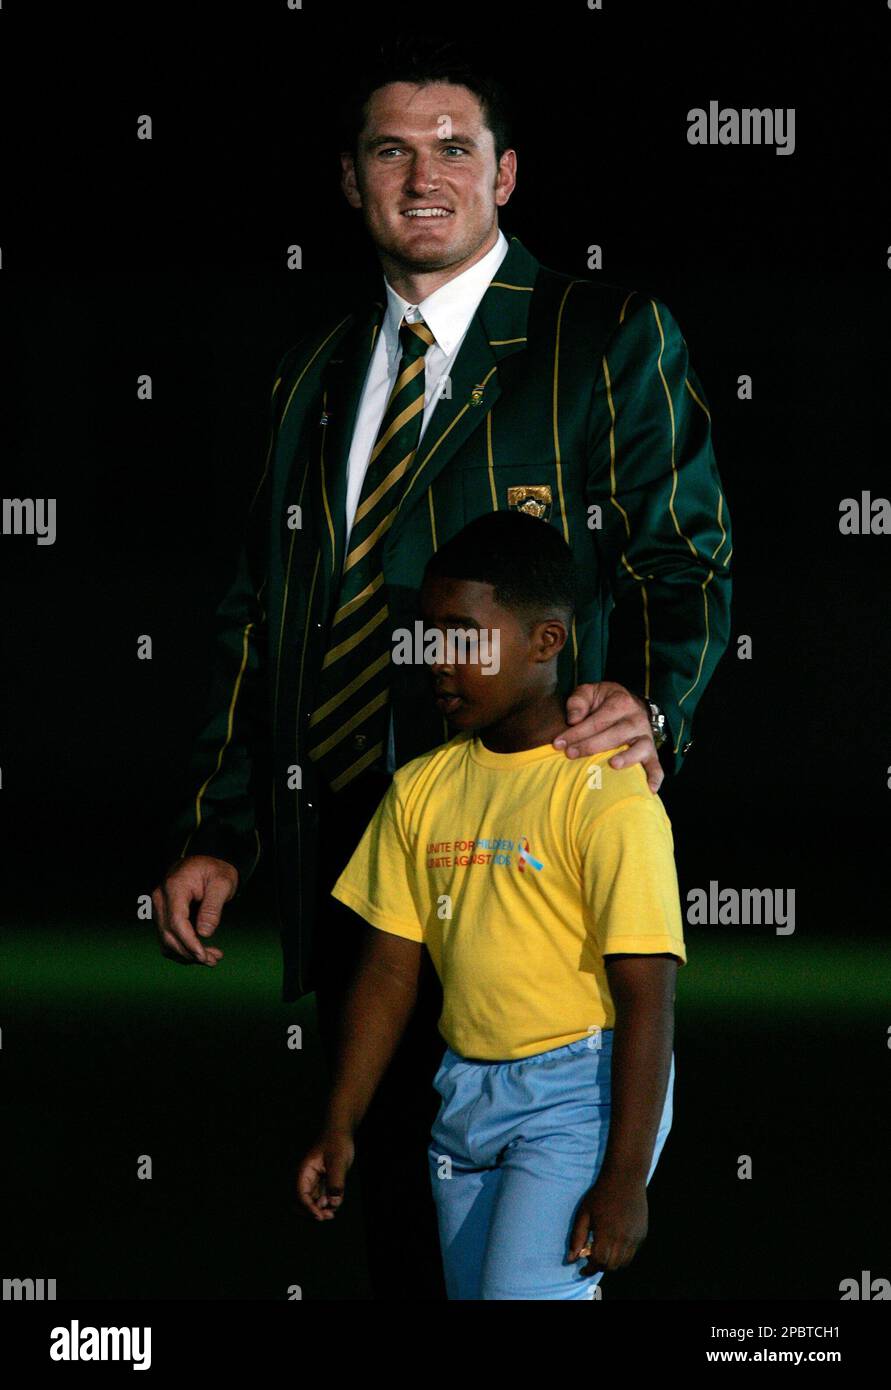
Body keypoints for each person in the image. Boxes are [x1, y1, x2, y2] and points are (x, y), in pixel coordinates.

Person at [151, 33, 731, 1301]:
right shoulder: (307, 379)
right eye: (391, 151)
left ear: (506, 175)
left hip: (527, 853)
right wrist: (217, 826)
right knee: (397, 1220)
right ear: (351, 181)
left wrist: (655, 703)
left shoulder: (607, 335)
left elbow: (682, 560)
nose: (425, 176)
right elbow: (261, 613)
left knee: (533, 1229)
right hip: (359, 842)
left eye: (454, 148)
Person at [296, 510, 686, 1300]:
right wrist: (340, 1123)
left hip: (579, 1096)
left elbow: (648, 996)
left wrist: (624, 1177)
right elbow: (388, 974)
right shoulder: (420, 789)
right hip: (465, 1096)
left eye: (463, 636)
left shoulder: (608, 792)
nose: (438, 659)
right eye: (429, 634)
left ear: (546, 641)